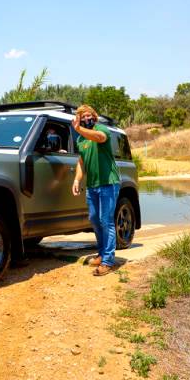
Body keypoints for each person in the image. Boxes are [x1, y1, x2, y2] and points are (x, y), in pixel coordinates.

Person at [71, 104, 120, 276]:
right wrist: (77, 179)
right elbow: (81, 162)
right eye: (82, 116)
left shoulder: (101, 129)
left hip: (109, 183)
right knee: (94, 219)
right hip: (92, 186)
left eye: (88, 115)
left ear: (94, 116)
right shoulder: (80, 140)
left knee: (106, 220)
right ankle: (101, 253)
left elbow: (99, 138)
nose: (86, 118)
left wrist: (79, 129)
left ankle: (107, 261)